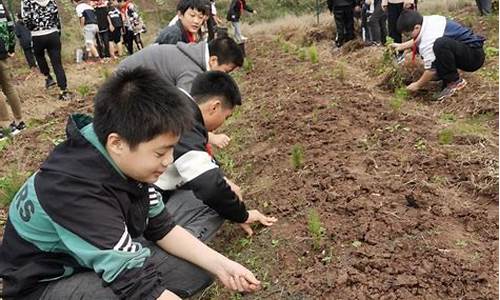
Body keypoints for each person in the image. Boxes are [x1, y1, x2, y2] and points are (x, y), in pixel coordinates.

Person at [0, 67, 261, 300]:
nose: (168, 161)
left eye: (171, 150)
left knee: (198, 271)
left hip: (95, 253)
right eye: (160, 153)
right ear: (117, 143)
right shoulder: (74, 190)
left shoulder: (121, 157)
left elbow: (161, 226)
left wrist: (223, 265)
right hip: (49, 284)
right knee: (161, 280)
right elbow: (137, 285)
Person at [156, 71, 278, 237]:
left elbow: (197, 159)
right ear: (215, 107)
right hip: (137, 204)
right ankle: (170, 255)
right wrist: (243, 215)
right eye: (226, 117)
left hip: (136, 193)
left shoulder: (177, 101)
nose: (223, 123)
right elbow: (210, 187)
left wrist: (223, 179)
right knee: (215, 205)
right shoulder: (185, 123)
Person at [118, 36, 243, 149]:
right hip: (127, 91)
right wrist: (211, 137)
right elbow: (184, 113)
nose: (225, 77)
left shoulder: (193, 54)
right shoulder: (191, 72)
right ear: (213, 60)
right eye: (226, 71)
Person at [392, 10, 486, 101]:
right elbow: (419, 37)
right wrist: (402, 46)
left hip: (474, 58)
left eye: (408, 34)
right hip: (468, 49)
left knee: (440, 45)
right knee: (439, 47)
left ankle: (454, 82)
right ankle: (445, 76)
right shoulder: (427, 21)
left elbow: (431, 70)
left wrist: (417, 85)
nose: (409, 37)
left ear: (417, 27)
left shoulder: (428, 39)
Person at [22, 0, 70, 100]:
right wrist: (58, 32)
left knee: (39, 56)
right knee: (57, 64)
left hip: (37, 35)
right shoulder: (51, 1)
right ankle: (63, 90)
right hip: (53, 33)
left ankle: (48, 76)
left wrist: (32, 28)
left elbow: (26, 19)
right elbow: (56, 17)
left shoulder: (27, 2)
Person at [0, 1, 25, 140]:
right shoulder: (1, 4)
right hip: (2, 50)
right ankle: (19, 121)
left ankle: (5, 126)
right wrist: (10, 47)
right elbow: (10, 25)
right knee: (8, 87)